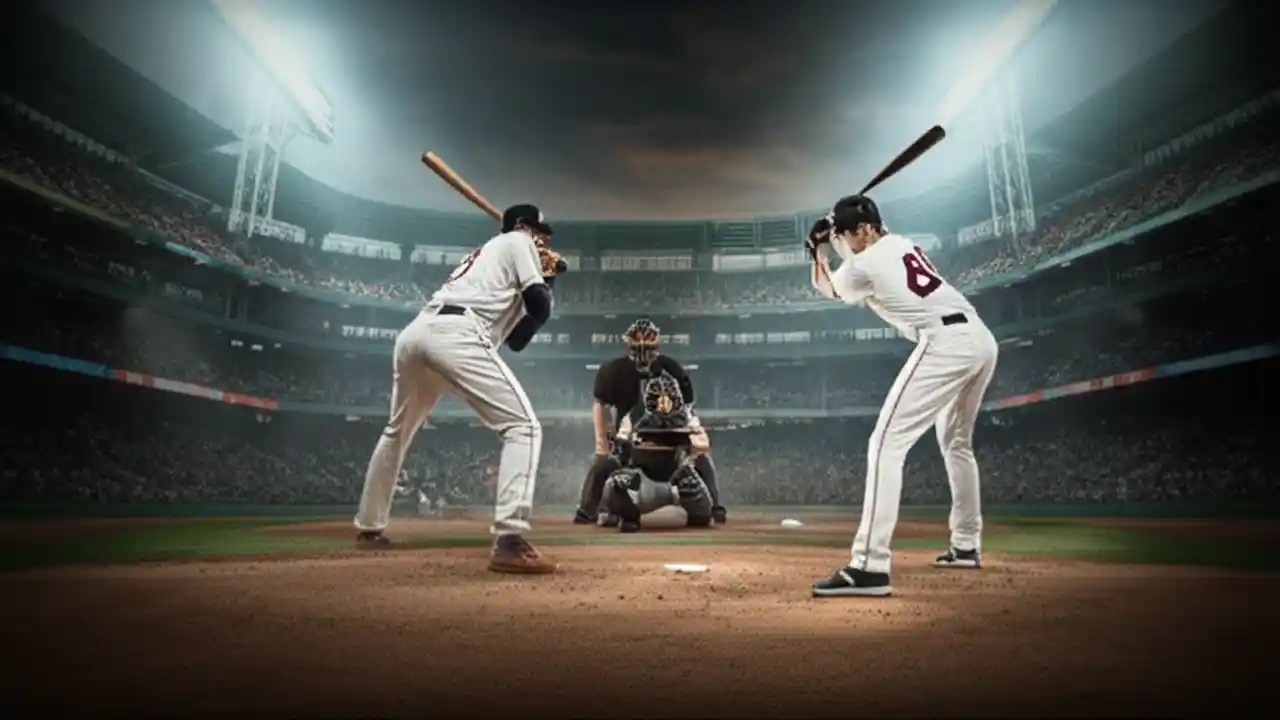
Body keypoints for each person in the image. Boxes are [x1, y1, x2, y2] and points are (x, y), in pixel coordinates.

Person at [351, 204, 567, 574]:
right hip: (457, 335)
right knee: (524, 428)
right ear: (523, 226)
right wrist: (549, 281)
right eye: (540, 234)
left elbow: (518, 340)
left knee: (396, 431)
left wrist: (547, 283)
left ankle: (369, 526)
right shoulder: (516, 240)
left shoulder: (494, 261)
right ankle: (510, 539)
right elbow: (540, 305)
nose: (542, 243)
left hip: (418, 334)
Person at [806, 195, 999, 597]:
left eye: (848, 234)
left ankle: (869, 565)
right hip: (980, 338)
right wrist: (835, 234)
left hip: (945, 341)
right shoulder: (902, 243)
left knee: (885, 444)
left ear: (864, 230)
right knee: (957, 444)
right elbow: (865, 253)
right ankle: (966, 545)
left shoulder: (862, 265)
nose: (846, 241)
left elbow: (830, 289)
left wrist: (816, 250)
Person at [572, 318, 727, 526]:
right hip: (635, 445)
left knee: (702, 459)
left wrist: (693, 440)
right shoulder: (629, 410)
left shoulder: (673, 375)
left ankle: (714, 506)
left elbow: (690, 413)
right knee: (604, 463)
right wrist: (605, 442)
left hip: (671, 446)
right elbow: (604, 410)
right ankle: (589, 509)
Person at [598, 373, 715, 532]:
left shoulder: (687, 417)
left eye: (668, 399)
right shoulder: (635, 417)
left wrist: (686, 439)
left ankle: (709, 510)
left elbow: (703, 444)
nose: (664, 405)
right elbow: (620, 447)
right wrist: (630, 444)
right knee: (615, 483)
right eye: (660, 399)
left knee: (702, 516)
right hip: (644, 478)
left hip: (679, 479)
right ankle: (624, 515)